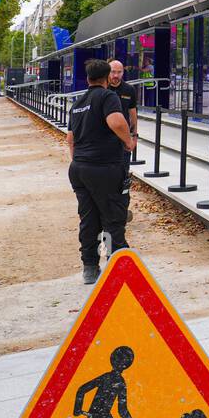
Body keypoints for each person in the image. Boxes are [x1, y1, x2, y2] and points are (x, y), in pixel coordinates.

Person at [68, 59, 136, 285]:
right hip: (104, 167)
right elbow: (116, 121)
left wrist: (78, 161)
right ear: (107, 79)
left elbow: (70, 139)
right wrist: (128, 141)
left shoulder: (77, 103)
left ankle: (89, 267)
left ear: (87, 79)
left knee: (88, 217)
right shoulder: (108, 97)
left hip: (79, 168)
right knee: (113, 216)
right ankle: (117, 263)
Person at [108, 60, 139, 201]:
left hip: (124, 138)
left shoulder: (129, 89)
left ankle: (122, 205)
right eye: (113, 71)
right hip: (106, 138)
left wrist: (134, 136)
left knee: (123, 173)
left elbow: (133, 115)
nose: (116, 75)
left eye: (119, 72)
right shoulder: (103, 88)